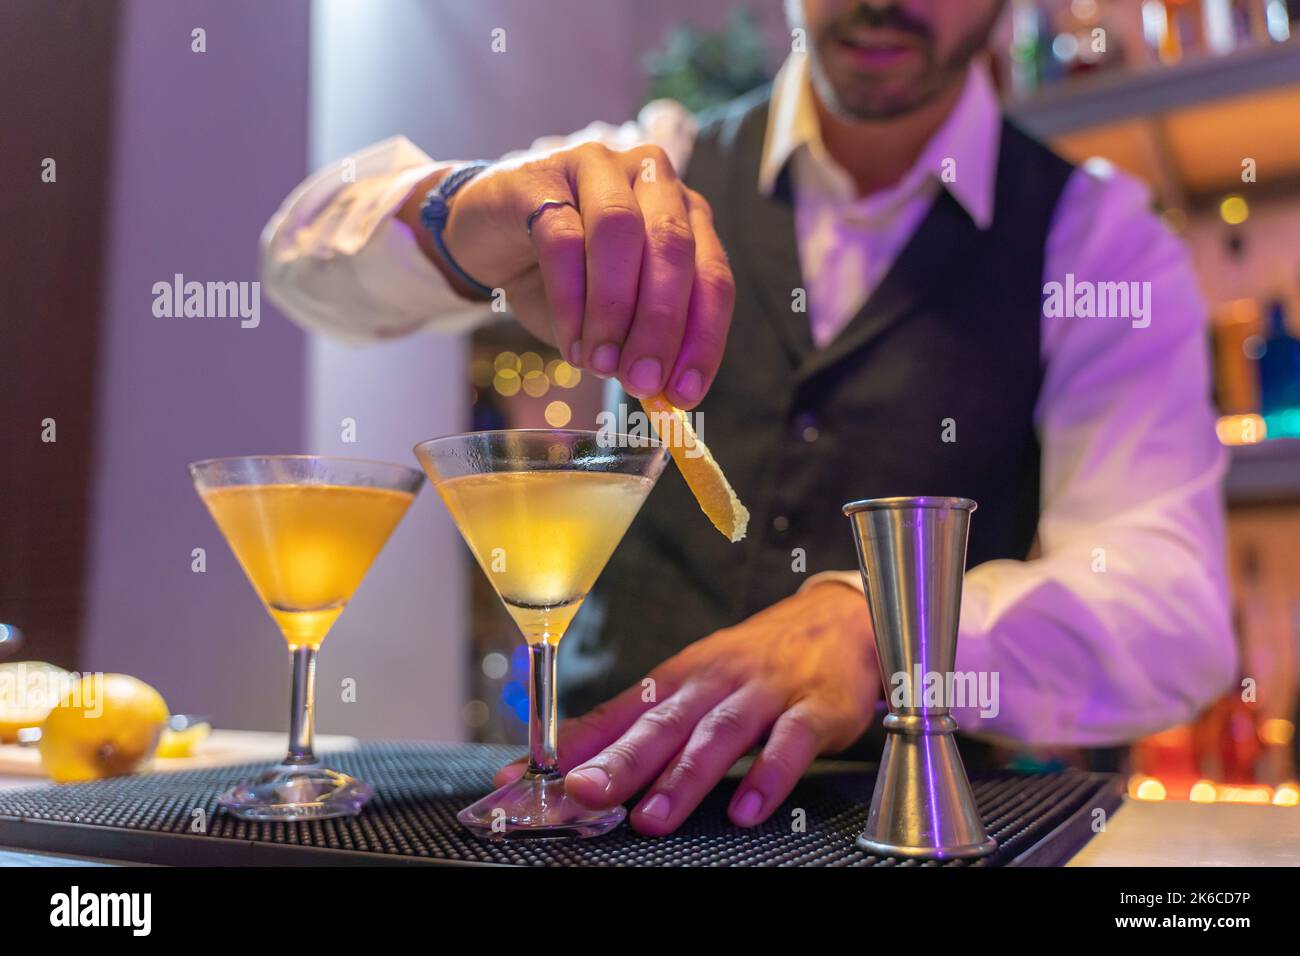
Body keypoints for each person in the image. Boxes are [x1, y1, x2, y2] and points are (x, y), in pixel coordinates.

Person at [262, 0, 1235, 835]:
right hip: (599, 825)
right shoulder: (662, 158)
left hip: (920, 835)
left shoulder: (1101, 243)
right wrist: (455, 214)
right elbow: (304, 268)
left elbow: (1170, 608)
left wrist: (890, 630)